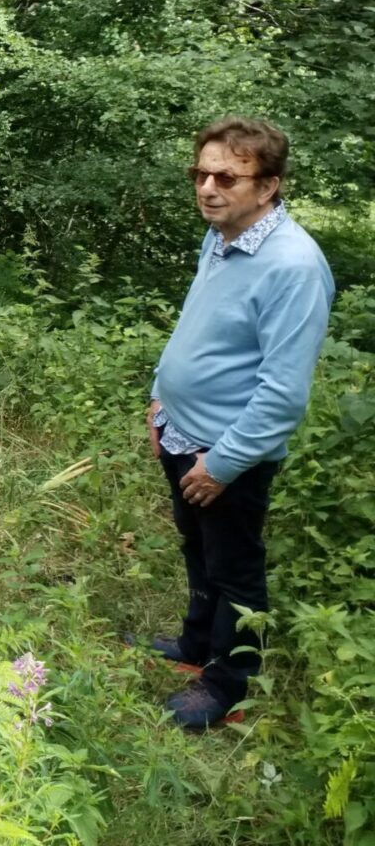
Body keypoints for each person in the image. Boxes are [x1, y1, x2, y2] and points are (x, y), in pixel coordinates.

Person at [146, 116, 333, 729]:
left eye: (227, 176)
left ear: (269, 184)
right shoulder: (224, 236)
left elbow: (282, 394)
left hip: (229, 450)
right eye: (200, 173)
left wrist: (222, 464)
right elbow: (196, 324)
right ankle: (197, 646)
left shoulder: (293, 267)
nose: (207, 187)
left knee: (236, 569)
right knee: (198, 549)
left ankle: (228, 685)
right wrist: (160, 398)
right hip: (182, 431)